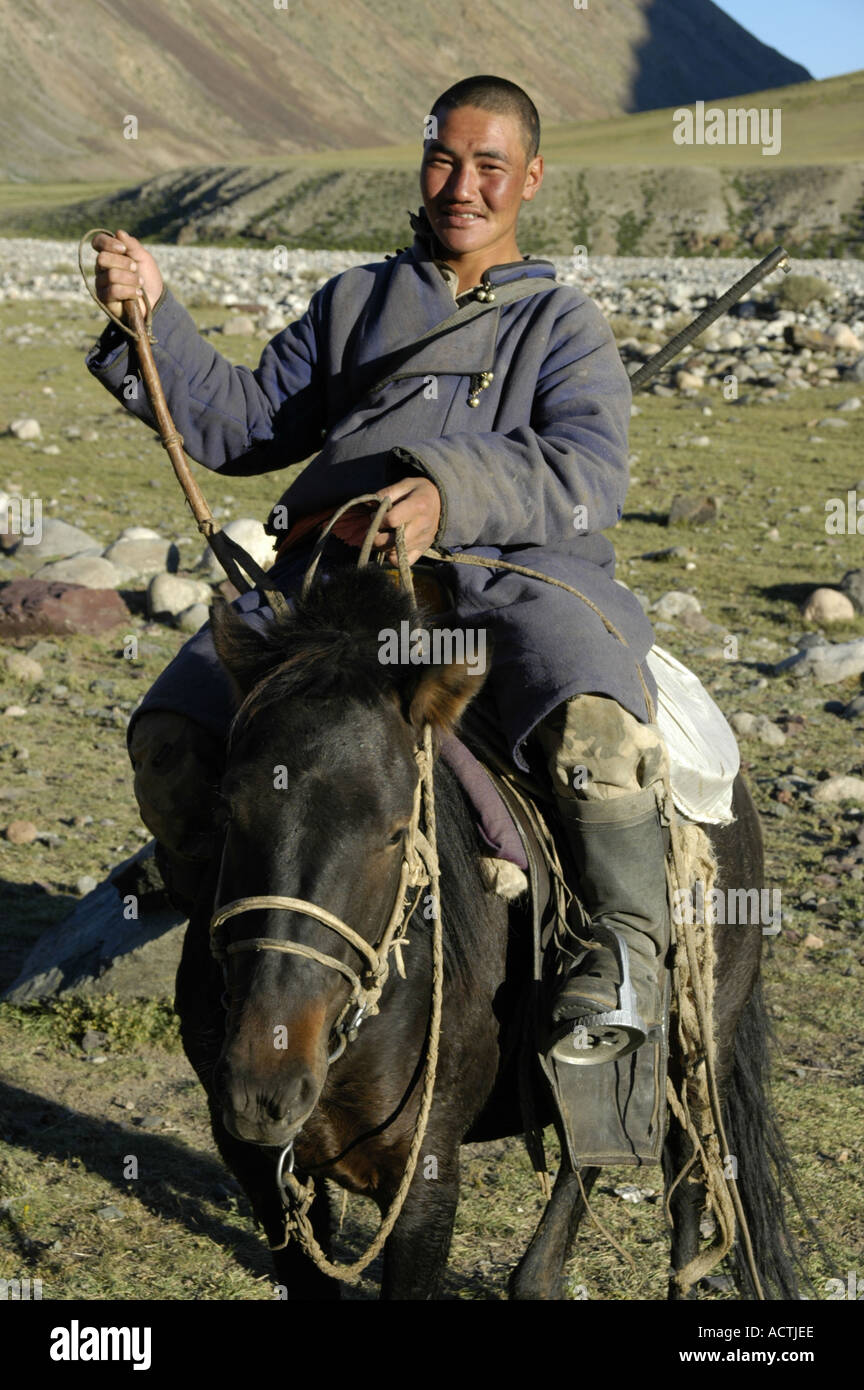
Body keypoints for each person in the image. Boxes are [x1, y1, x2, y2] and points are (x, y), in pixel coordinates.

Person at [85, 74, 670, 1067]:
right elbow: (240, 422)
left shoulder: (561, 324)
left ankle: (620, 952)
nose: (463, 185)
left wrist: (448, 487)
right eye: (445, 158)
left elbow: (589, 472)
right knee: (173, 736)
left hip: (502, 580)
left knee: (598, 730)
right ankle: (229, 927)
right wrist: (156, 314)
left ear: (530, 177)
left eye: (491, 165)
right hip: (337, 576)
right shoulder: (355, 301)